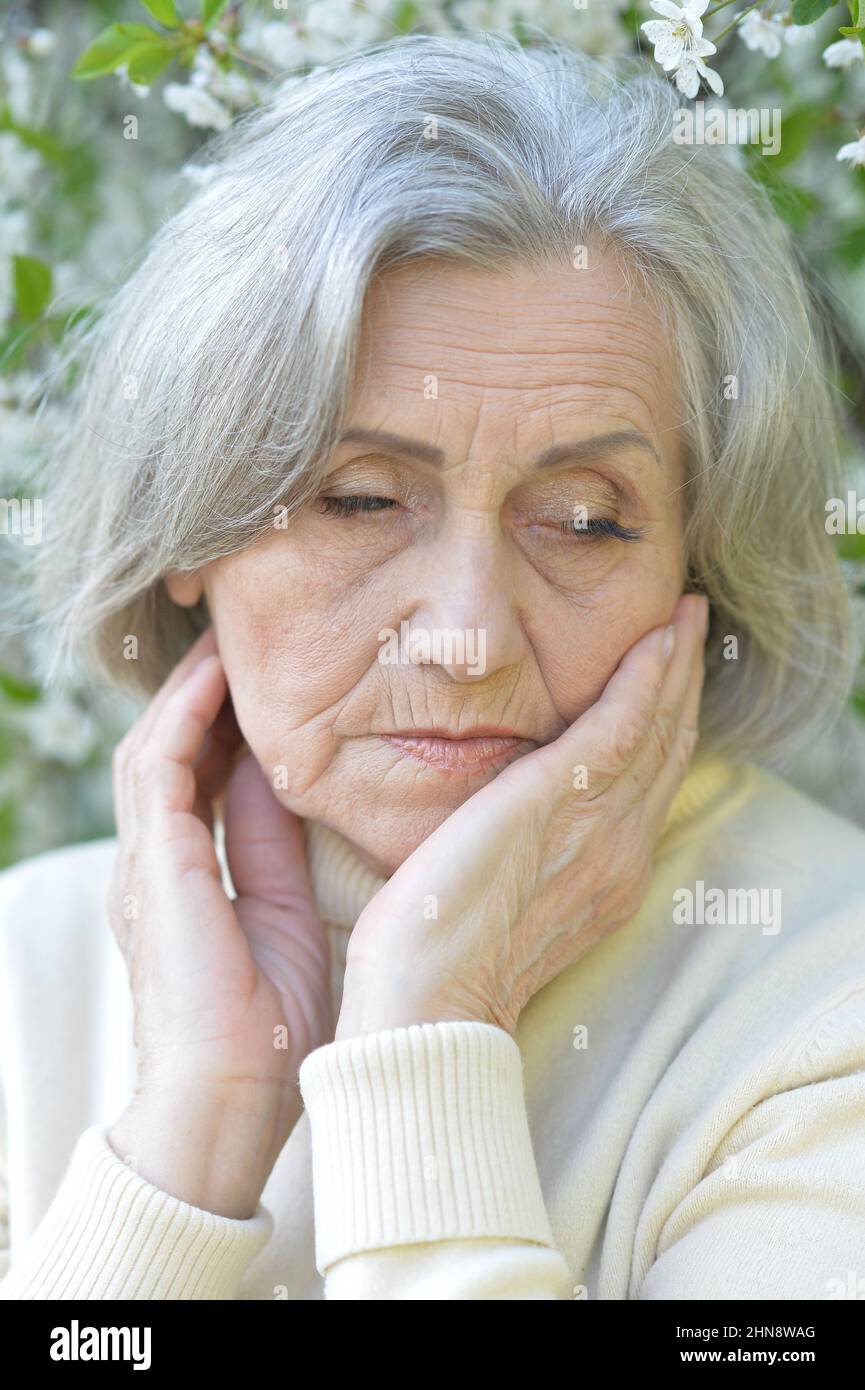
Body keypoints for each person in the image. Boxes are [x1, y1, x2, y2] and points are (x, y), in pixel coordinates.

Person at [1, 32, 864, 1301]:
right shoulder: (25, 973)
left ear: (700, 564)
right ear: (187, 533)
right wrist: (185, 1137)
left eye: (583, 520)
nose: (466, 635)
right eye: (357, 499)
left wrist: (426, 1030)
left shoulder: (822, 1007)